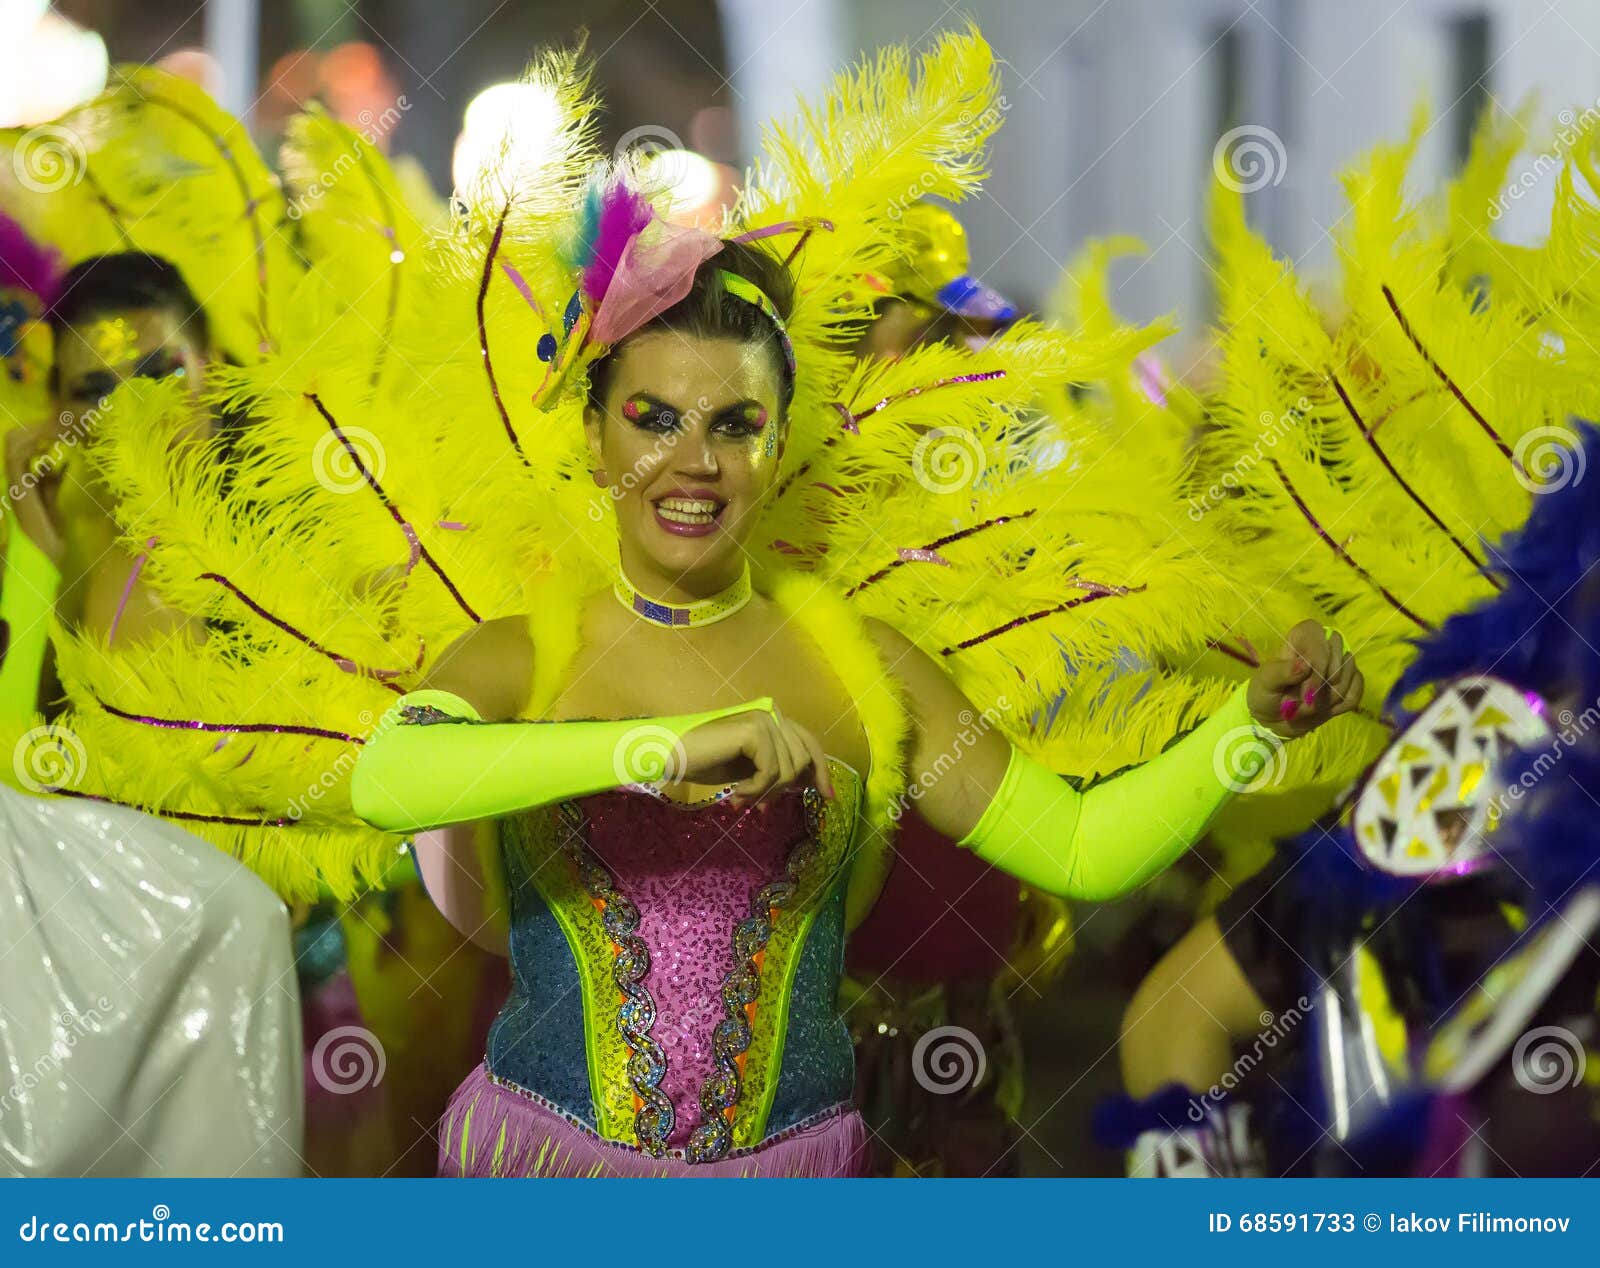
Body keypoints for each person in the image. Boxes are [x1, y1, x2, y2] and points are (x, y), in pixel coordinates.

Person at [52, 31, 1360, 1178]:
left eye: (736, 425)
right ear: (597, 436)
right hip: (548, 1180)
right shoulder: (524, 652)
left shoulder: (864, 666)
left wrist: (1247, 725)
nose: (694, 461)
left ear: (782, 444)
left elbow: (1082, 851)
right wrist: (657, 750)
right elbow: (393, 777)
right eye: (656, 419)